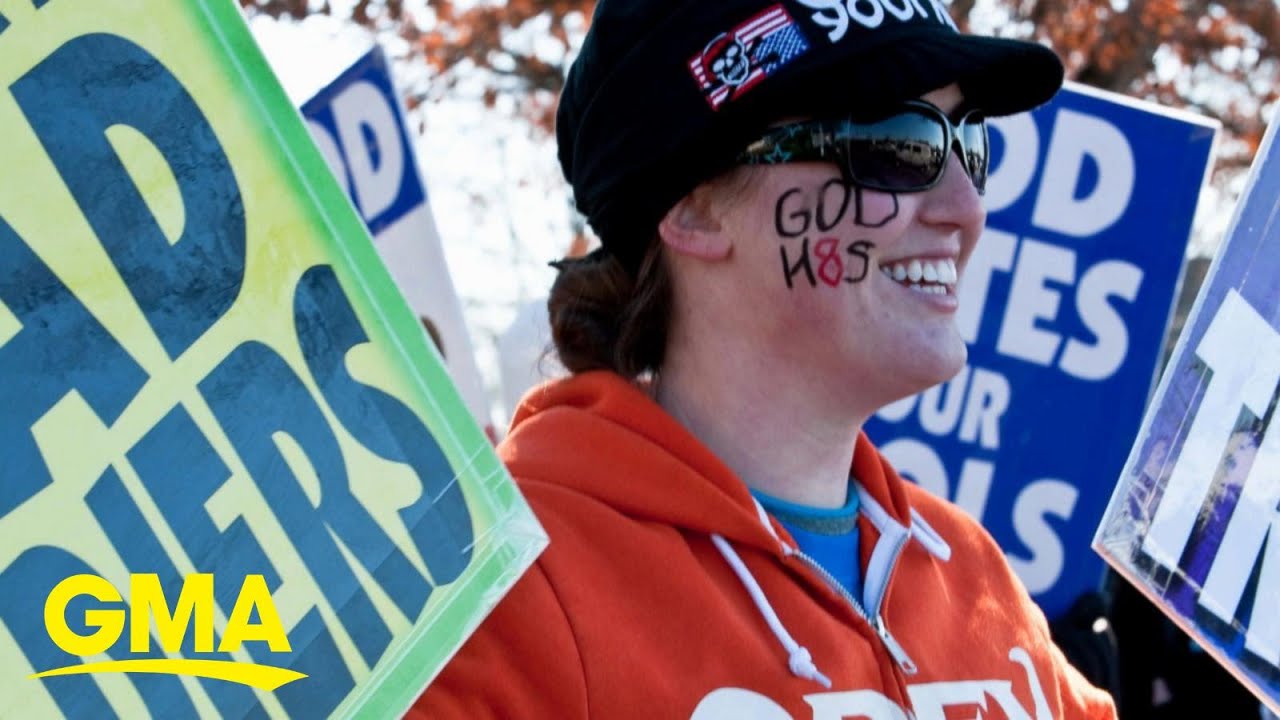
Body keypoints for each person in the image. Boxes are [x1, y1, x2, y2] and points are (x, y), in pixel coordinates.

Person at [411, 0, 1117, 717]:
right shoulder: (504, 589)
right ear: (695, 208)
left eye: (970, 145)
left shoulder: (972, 572)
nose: (965, 209)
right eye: (895, 143)